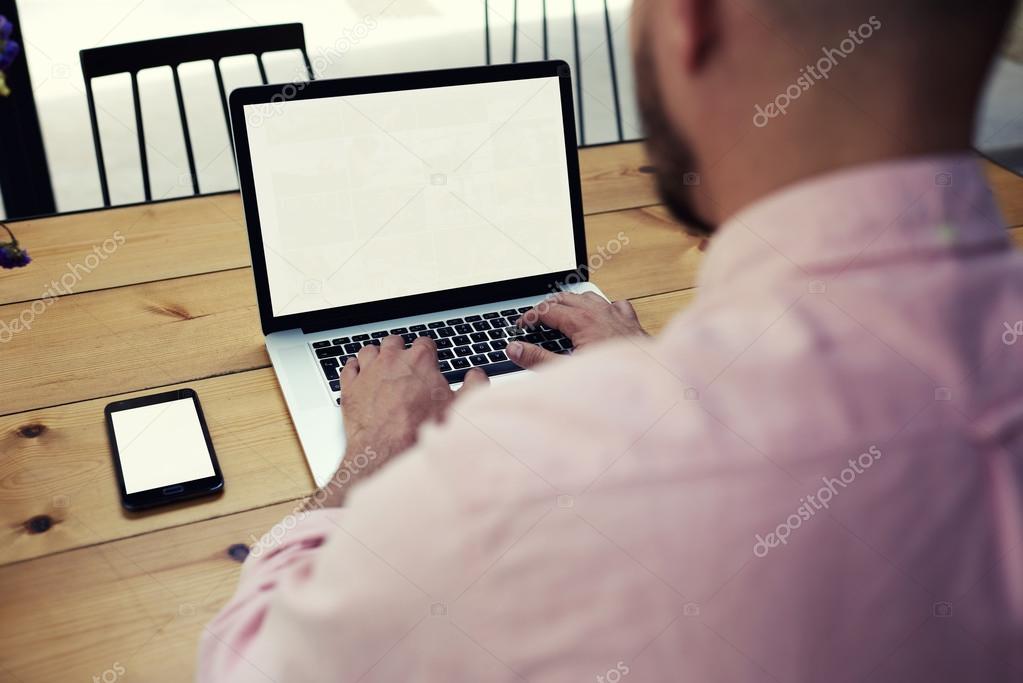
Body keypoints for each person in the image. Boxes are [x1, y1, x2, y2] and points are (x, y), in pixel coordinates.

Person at [199, 0, 1023, 680]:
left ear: (689, 20)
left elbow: (246, 666)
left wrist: (366, 460)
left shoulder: (494, 483)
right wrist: (651, 376)